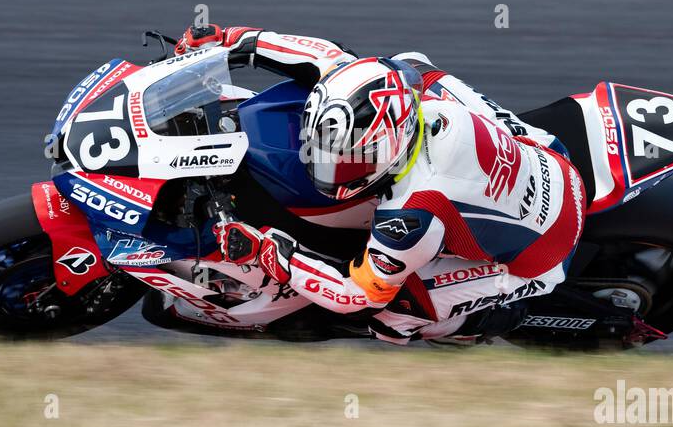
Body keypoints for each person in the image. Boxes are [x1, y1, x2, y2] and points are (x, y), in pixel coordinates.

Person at [174, 24, 586, 344]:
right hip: (548, 152)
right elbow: (321, 55)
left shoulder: (412, 213)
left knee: (391, 317)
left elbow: (357, 294)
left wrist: (268, 252)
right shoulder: (400, 90)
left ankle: (476, 325)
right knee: (412, 63)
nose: (330, 167)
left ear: (391, 146)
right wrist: (231, 40)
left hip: (544, 250)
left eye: (351, 159)